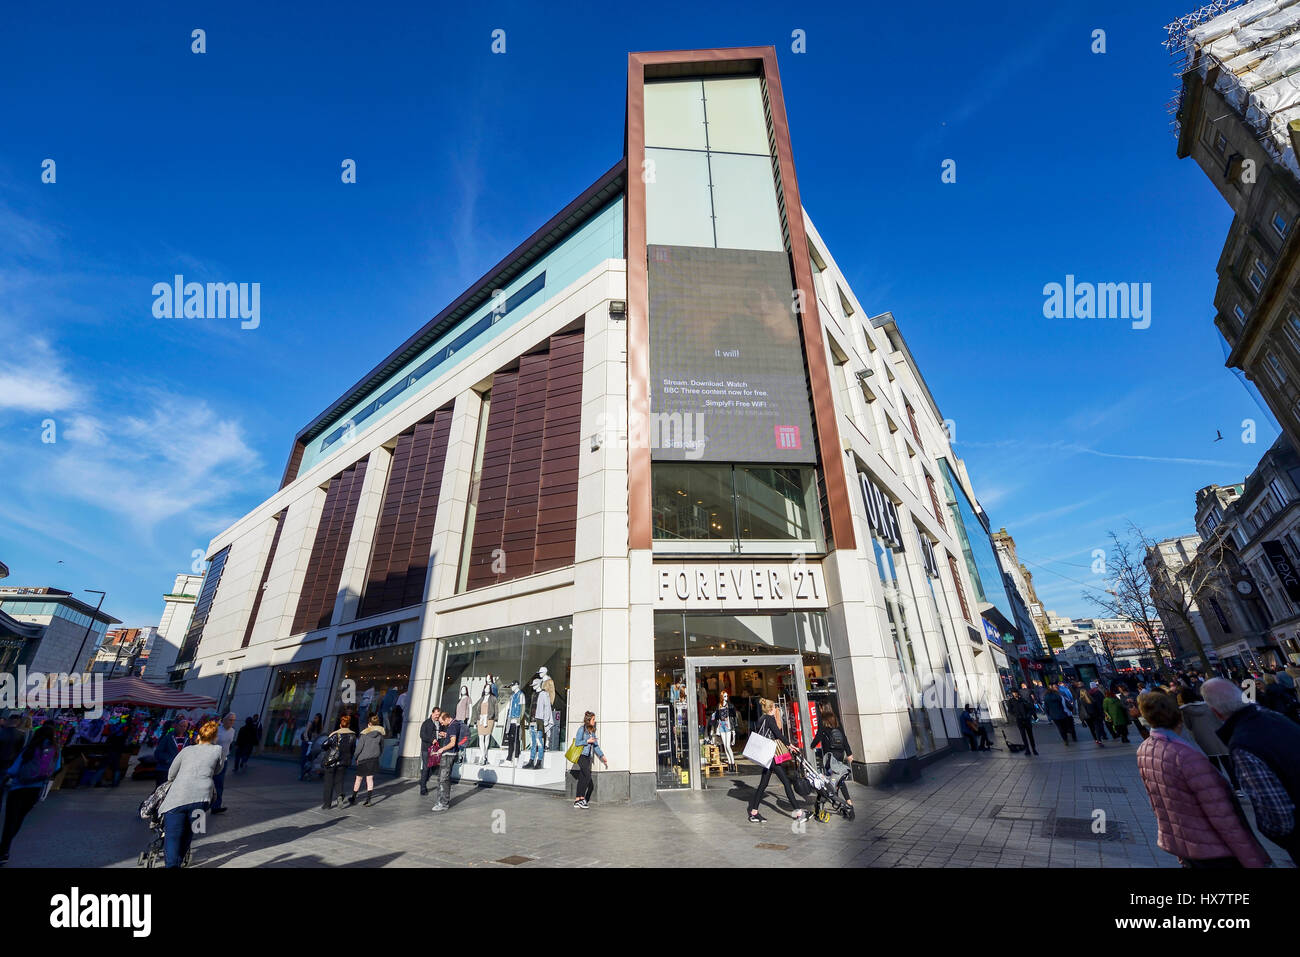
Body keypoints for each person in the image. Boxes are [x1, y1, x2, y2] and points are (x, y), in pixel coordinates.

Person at [1134, 692, 1269, 869]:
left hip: (1185, 845)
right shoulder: (1186, 756)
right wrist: (1253, 860)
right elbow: (1222, 814)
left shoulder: (1145, 749)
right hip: (1213, 849)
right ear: (1178, 715)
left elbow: (1157, 803)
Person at [1203, 677, 1300, 865]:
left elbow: (1277, 812)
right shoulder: (1275, 718)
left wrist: (1279, 836)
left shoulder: (1243, 745)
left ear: (1216, 712)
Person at [156, 719, 225, 868]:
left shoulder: (187, 749)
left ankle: (172, 866)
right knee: (190, 832)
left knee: (172, 836)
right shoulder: (218, 750)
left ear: (199, 735)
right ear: (214, 737)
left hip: (178, 797)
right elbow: (218, 770)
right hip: (202, 799)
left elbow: (171, 774)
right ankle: (179, 862)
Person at [0, 725, 61, 866]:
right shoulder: (56, 751)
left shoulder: (31, 748)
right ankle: (4, 850)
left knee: (10, 820)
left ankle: (4, 850)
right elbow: (57, 768)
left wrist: (8, 775)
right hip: (36, 789)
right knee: (19, 819)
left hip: (19, 787)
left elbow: (14, 768)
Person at [746, 698, 806, 824]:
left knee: (763, 784)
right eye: (775, 707)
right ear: (771, 708)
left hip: (767, 756)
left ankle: (753, 813)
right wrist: (790, 745)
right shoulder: (769, 719)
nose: (776, 710)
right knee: (785, 782)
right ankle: (798, 813)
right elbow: (778, 734)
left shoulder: (761, 719)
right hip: (771, 756)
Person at [1176, 687, 1238, 789]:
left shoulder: (1185, 711)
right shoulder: (1208, 705)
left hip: (1203, 738)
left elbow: (1189, 725)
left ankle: (1223, 786)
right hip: (1218, 735)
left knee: (1214, 763)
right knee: (1227, 762)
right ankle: (1237, 787)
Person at [810, 711, 855, 817]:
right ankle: (848, 801)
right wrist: (849, 753)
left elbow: (818, 737)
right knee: (839, 778)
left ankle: (825, 802)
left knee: (829, 781)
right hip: (840, 755)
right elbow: (845, 740)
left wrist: (812, 746)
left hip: (830, 757)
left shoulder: (824, 728)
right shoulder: (838, 727)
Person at [431, 709, 468, 812]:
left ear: (447, 719)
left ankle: (443, 803)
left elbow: (452, 743)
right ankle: (442, 802)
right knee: (444, 779)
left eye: (442, 722)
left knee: (443, 779)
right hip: (450, 755)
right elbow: (453, 740)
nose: (442, 724)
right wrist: (446, 735)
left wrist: (441, 749)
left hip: (448, 755)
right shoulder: (454, 725)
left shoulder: (452, 726)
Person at [571, 711, 608, 809]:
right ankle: (582, 798)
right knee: (587, 776)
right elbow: (577, 743)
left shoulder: (592, 731)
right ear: (588, 720)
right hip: (581, 756)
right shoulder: (581, 730)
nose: (594, 721)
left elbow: (596, 746)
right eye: (593, 719)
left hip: (588, 756)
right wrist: (587, 741)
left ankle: (578, 800)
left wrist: (602, 756)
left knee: (583, 777)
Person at [320, 715, 357, 810]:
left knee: (329, 783)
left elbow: (324, 745)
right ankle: (340, 795)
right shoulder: (353, 736)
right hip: (344, 762)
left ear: (340, 725)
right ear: (348, 725)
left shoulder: (335, 734)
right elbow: (353, 750)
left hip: (331, 762)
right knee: (339, 781)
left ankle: (327, 804)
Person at [349, 714, 385, 807]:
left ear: (369, 724)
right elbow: (382, 748)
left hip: (363, 759)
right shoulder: (380, 735)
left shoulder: (364, 734)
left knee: (358, 779)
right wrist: (377, 755)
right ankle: (368, 799)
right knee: (370, 779)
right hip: (374, 759)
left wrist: (356, 757)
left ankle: (353, 797)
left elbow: (359, 748)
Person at [210, 712, 236, 814]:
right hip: (213, 760)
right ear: (224, 720)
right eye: (230, 720)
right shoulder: (216, 729)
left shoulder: (233, 731)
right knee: (207, 783)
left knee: (219, 784)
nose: (232, 722)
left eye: (233, 720)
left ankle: (216, 806)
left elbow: (229, 745)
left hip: (224, 760)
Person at [153, 718, 189, 784]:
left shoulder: (187, 739)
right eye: (181, 726)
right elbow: (158, 753)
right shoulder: (168, 737)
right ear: (176, 726)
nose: (183, 728)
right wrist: (168, 760)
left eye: (185, 726)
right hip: (165, 769)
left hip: (178, 771)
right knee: (160, 790)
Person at [1006, 689, 1038, 756]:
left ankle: (1034, 749)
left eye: (1016, 693)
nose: (1015, 694)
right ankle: (1027, 750)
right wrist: (1016, 715)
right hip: (1019, 720)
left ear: (1018, 693)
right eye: (1013, 693)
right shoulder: (1011, 701)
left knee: (1030, 735)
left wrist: (1028, 715)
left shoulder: (1023, 700)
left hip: (1026, 719)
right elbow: (1010, 711)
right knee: (1023, 735)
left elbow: (1031, 708)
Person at [418, 708, 442, 796]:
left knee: (434, 766)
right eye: (436, 715)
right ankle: (423, 788)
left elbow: (439, 732)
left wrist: (441, 734)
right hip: (426, 749)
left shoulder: (439, 723)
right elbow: (422, 735)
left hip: (435, 749)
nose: (437, 717)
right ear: (432, 713)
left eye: (438, 715)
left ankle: (423, 781)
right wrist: (431, 740)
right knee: (426, 767)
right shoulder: (426, 723)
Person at [298, 714, 322, 781]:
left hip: (312, 744)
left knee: (310, 759)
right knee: (304, 758)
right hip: (306, 743)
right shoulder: (310, 723)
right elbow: (306, 732)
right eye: (315, 718)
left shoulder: (319, 726)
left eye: (317, 718)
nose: (315, 719)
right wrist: (307, 740)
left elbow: (318, 735)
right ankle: (302, 773)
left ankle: (307, 773)